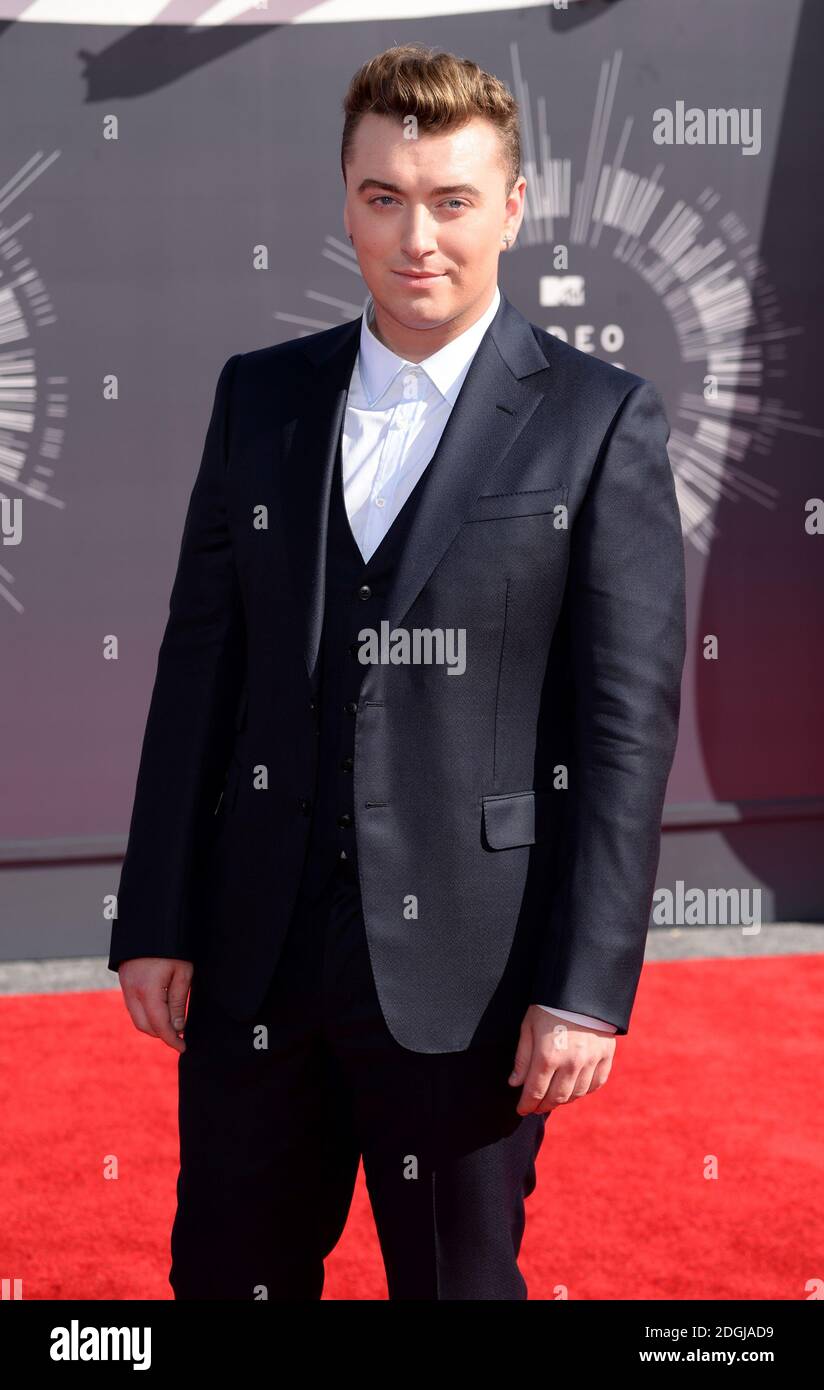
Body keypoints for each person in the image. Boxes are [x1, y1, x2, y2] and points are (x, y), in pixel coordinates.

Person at [109, 43, 686, 1300]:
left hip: (469, 981)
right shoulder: (259, 399)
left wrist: (585, 989)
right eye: (383, 197)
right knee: (222, 1279)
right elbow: (196, 671)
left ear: (514, 207)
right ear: (346, 200)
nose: (416, 235)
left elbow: (623, 728)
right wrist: (153, 912)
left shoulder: (597, 418)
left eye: (450, 200)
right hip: (256, 956)